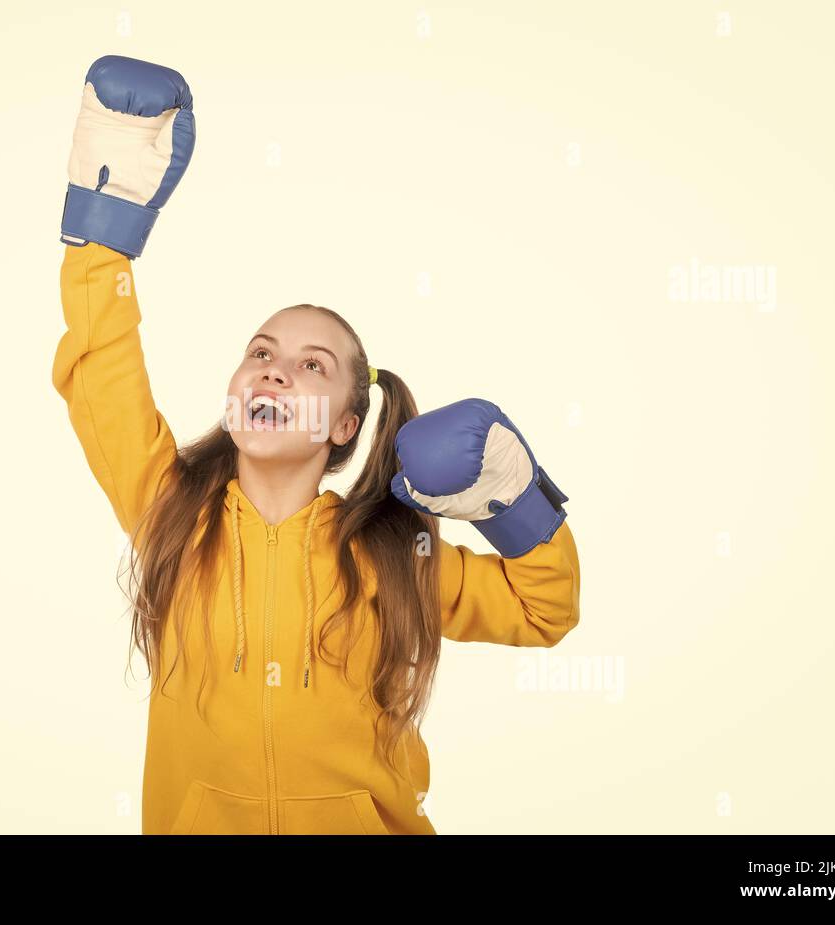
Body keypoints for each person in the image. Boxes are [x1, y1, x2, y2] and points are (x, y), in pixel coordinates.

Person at [52, 55, 581, 835]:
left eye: (310, 366)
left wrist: (509, 495)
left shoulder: (393, 556)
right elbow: (100, 372)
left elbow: (546, 610)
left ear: (343, 424)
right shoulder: (167, 510)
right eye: (260, 353)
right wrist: (106, 229)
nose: (273, 373)